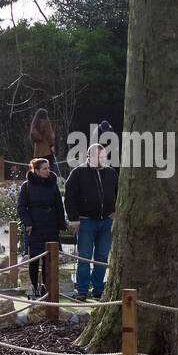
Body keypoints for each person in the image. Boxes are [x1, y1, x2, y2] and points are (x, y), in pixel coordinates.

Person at [63, 143, 116, 301]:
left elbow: (118, 192)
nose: (102, 159)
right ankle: (82, 290)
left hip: (106, 221)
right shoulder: (78, 173)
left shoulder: (111, 173)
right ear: (90, 156)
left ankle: (98, 289)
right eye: (99, 156)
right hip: (85, 222)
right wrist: (73, 219)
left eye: (103, 156)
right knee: (84, 257)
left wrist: (116, 210)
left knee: (102, 257)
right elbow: (70, 197)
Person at [17, 158, 66, 299]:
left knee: (48, 259)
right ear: (36, 170)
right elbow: (21, 206)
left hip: (51, 225)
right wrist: (28, 223)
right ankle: (34, 287)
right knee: (34, 258)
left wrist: (61, 225)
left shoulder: (52, 185)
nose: (47, 170)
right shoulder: (27, 186)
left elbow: (59, 206)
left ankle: (46, 287)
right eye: (44, 168)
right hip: (35, 227)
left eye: (48, 167)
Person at [30, 108, 57, 173]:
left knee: (38, 170)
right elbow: (49, 134)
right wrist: (52, 145)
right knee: (49, 169)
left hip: (37, 151)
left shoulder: (35, 123)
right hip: (46, 150)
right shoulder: (46, 122)